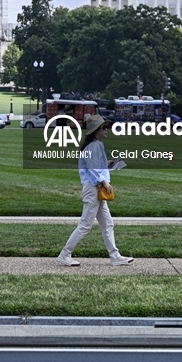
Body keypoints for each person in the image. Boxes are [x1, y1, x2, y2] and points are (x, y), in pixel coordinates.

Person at [57, 113, 134, 267]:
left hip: (96, 190)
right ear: (96, 130)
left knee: (108, 224)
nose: (106, 130)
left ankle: (115, 256)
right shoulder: (93, 146)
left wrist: (108, 164)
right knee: (85, 225)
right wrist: (105, 182)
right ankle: (65, 254)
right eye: (104, 128)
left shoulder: (95, 145)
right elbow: (92, 168)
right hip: (93, 189)